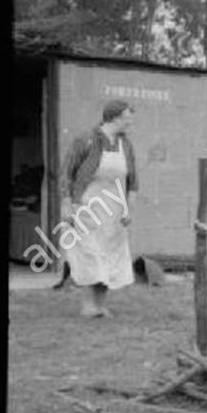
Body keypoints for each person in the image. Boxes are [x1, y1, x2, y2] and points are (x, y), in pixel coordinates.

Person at [61, 99, 140, 318]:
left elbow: (133, 182)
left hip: (114, 211)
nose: (130, 122)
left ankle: (100, 305)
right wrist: (67, 205)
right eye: (127, 117)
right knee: (89, 255)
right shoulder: (85, 140)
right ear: (114, 118)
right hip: (85, 207)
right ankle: (88, 305)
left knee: (109, 256)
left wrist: (129, 210)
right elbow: (66, 174)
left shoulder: (126, 145)